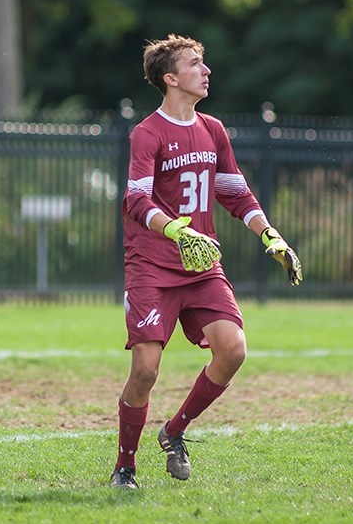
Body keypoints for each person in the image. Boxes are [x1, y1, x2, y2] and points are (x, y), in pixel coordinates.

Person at [110, 34, 302, 489]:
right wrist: (176, 228)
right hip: (152, 265)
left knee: (233, 350)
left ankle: (174, 431)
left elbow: (235, 193)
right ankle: (125, 468)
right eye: (196, 64)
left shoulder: (213, 129)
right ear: (171, 78)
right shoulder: (147, 133)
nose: (206, 71)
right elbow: (135, 201)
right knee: (145, 371)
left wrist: (270, 236)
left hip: (200, 264)